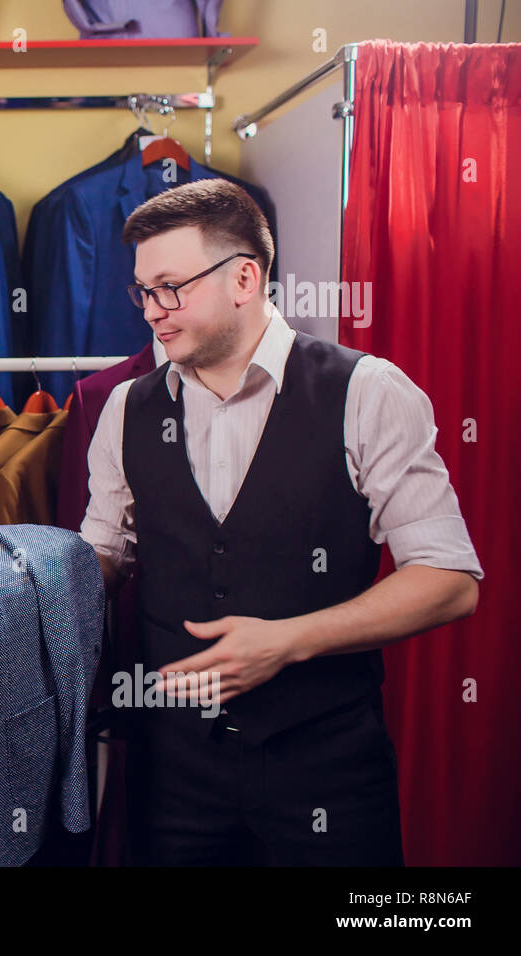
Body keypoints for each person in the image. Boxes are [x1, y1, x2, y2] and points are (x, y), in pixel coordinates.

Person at [80, 178, 482, 865]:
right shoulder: (124, 408)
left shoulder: (367, 392)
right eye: (143, 291)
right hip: (173, 775)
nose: (152, 311)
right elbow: (104, 551)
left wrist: (287, 642)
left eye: (170, 287)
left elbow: (449, 578)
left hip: (328, 769)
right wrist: (7, 584)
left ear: (244, 277)